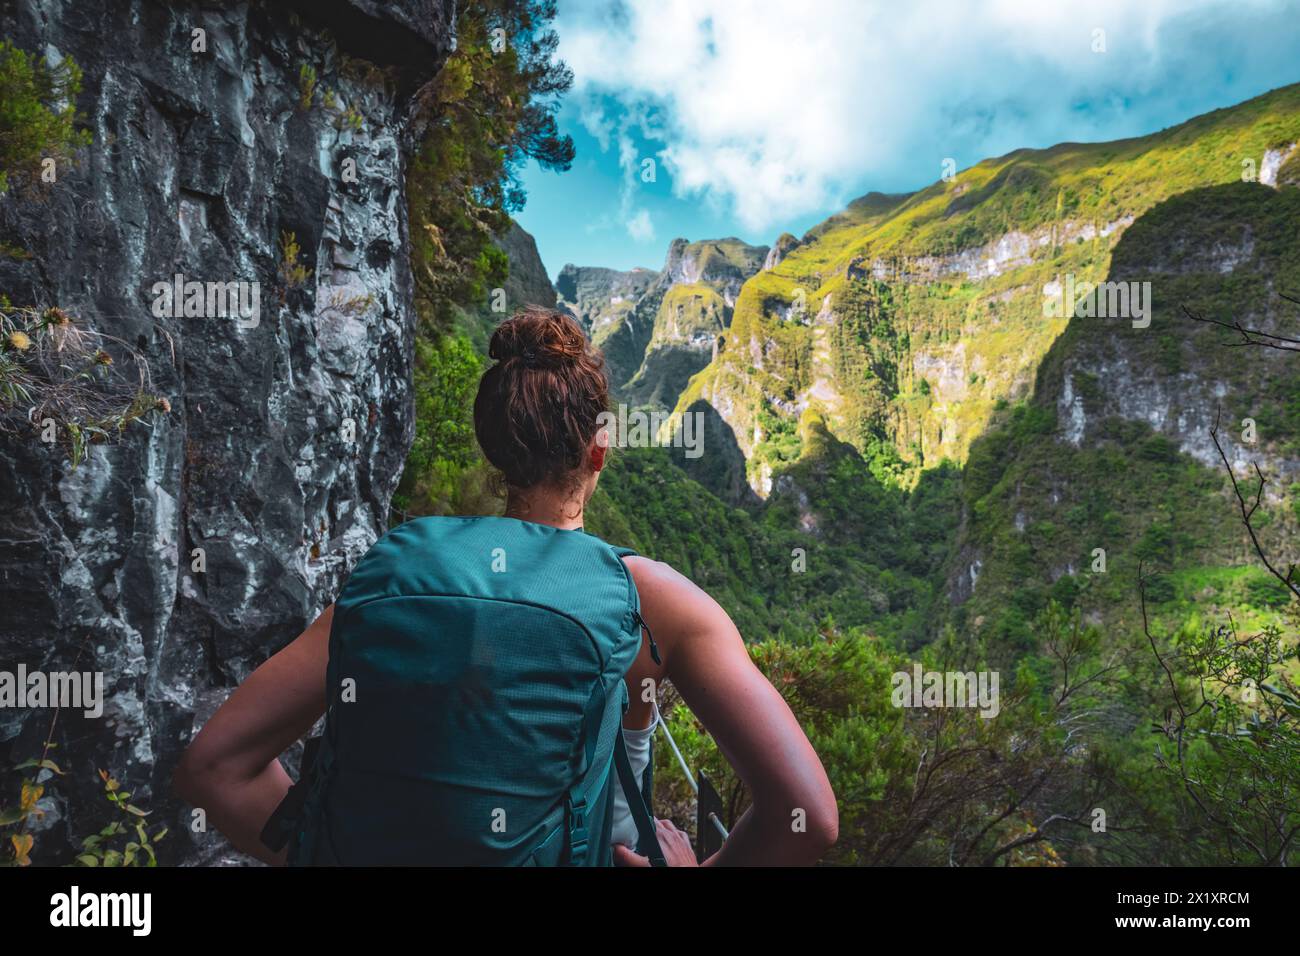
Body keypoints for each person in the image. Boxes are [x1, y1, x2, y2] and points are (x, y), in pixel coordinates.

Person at [173, 307, 838, 866]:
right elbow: (807, 815)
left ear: (491, 448)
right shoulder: (656, 601)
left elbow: (213, 769)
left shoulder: (399, 577)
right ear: (598, 452)